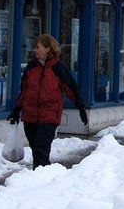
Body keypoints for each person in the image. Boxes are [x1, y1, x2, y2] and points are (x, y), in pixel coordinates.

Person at [8, 34, 88, 169]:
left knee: (41, 148)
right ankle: (41, 178)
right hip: (30, 116)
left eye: (38, 47)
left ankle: (43, 181)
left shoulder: (58, 68)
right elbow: (24, 91)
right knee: (36, 149)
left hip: (49, 115)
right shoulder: (31, 67)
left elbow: (71, 89)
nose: (35, 50)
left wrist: (81, 108)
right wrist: (16, 111)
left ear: (47, 49)